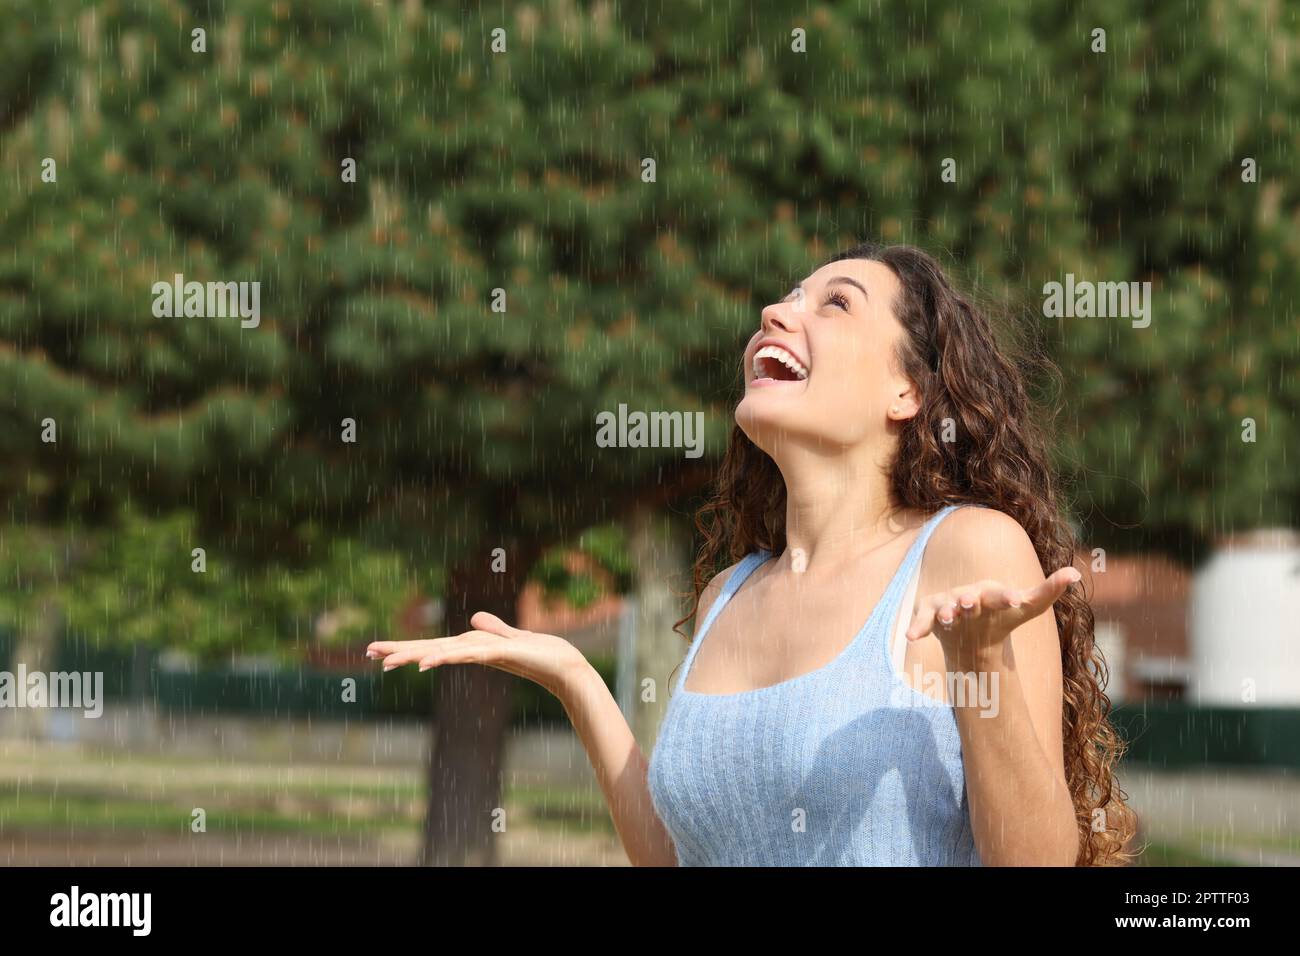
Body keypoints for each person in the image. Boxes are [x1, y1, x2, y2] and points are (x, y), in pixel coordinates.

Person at [367, 241, 1136, 866]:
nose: (775, 311)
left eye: (834, 303)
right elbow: (681, 858)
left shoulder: (967, 548)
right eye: (787, 297)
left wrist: (977, 669)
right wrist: (576, 681)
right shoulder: (727, 595)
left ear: (907, 391)